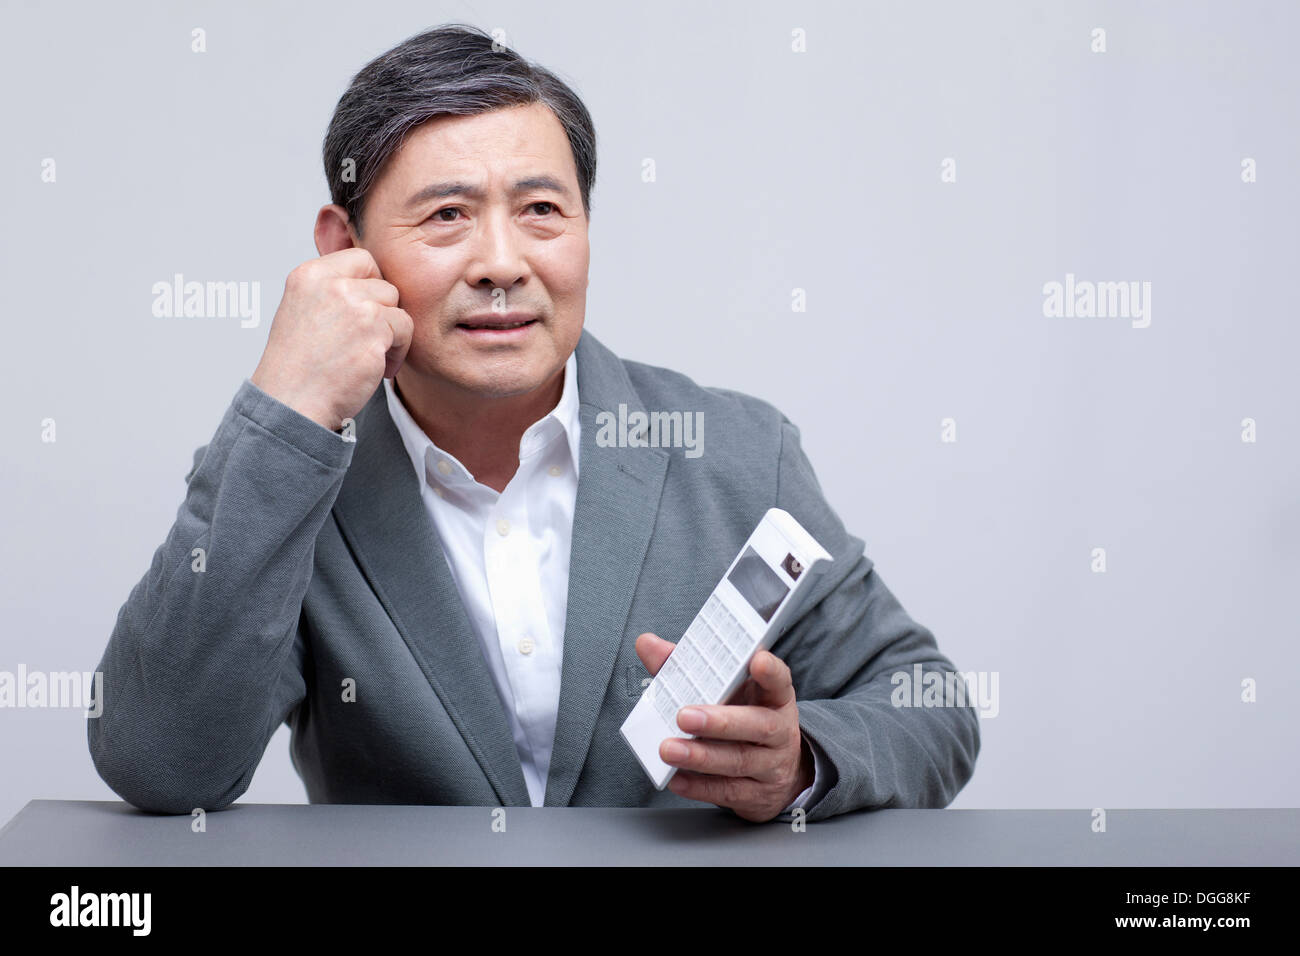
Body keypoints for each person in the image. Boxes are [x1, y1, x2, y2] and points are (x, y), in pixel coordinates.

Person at [88, 23, 979, 823]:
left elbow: (929, 704)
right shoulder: (291, 474)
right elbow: (162, 762)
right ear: (343, 249)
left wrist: (799, 764)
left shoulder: (738, 450)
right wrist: (286, 407)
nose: (503, 263)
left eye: (542, 210)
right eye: (447, 215)